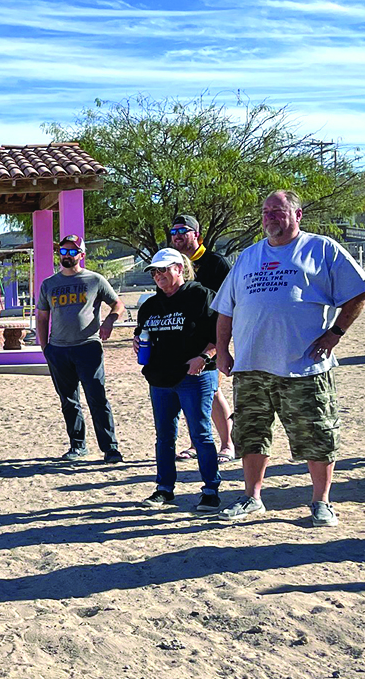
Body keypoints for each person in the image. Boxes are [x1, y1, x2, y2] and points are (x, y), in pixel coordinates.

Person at [214, 191, 365, 526]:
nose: (270, 216)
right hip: (251, 366)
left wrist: (335, 334)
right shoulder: (247, 257)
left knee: (317, 433)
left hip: (303, 366)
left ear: (297, 214)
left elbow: (359, 291)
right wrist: (223, 350)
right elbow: (225, 310)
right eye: (265, 211)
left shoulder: (322, 249)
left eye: (278, 210)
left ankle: (321, 502)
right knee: (251, 433)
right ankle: (252, 497)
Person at [134, 248, 222, 511]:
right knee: (164, 437)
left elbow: (221, 333)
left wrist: (204, 357)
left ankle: (210, 490)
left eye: (164, 269)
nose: (159, 276)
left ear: (179, 268)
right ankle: (164, 489)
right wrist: (137, 342)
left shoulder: (202, 296)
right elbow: (142, 334)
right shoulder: (150, 305)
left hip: (195, 376)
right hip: (160, 378)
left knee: (201, 434)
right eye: (155, 271)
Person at [35, 234, 126, 462]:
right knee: (69, 400)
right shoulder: (49, 284)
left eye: (72, 252)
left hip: (88, 348)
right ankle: (77, 446)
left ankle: (110, 447)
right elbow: (42, 317)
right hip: (58, 350)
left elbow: (118, 304)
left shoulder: (94, 280)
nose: (67, 255)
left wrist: (109, 321)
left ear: (81, 255)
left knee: (97, 398)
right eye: (63, 251)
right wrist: (45, 347)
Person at [167, 214, 235, 459]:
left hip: (212, 337)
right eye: (174, 231)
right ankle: (197, 443)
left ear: (197, 234)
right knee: (189, 390)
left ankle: (228, 444)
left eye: (183, 230)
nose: (177, 236)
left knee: (212, 389)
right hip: (183, 338)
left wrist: (219, 343)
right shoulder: (173, 263)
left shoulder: (215, 262)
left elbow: (231, 301)